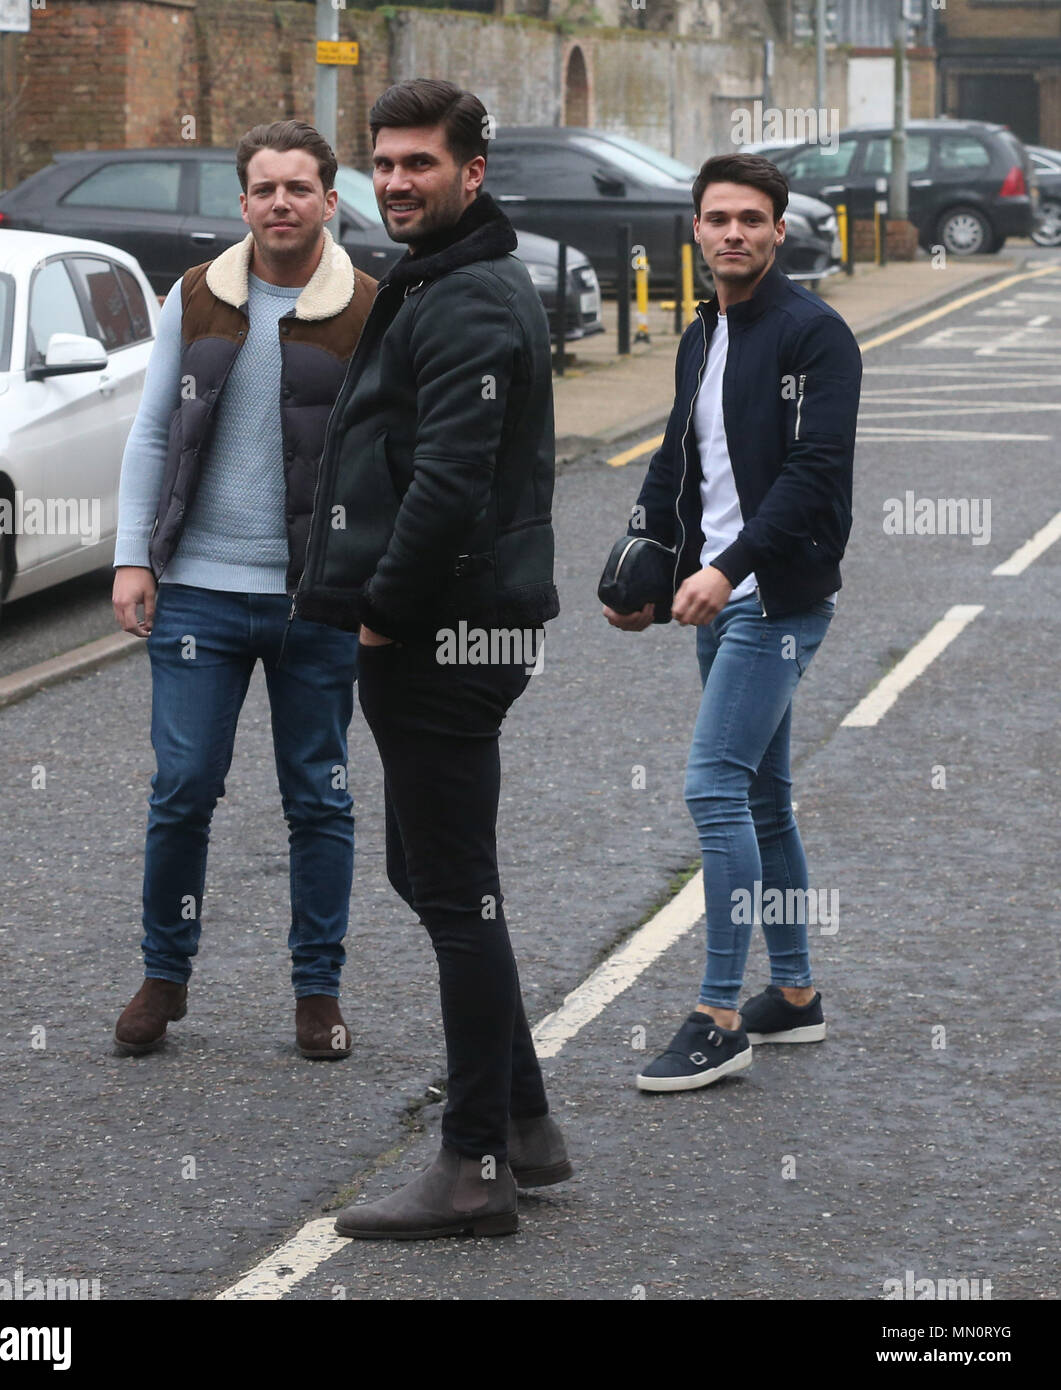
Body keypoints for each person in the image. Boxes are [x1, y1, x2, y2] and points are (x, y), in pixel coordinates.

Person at [298, 79, 570, 1239]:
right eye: (385, 162)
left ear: (472, 172)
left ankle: (472, 1167)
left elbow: (449, 485)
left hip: (442, 633)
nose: (398, 181)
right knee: (430, 872)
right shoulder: (447, 275)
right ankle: (525, 1123)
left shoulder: (465, 299)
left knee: (457, 894)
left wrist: (380, 614)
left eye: (421, 163)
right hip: (450, 625)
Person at [111, 121, 377, 1059]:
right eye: (264, 189)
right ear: (243, 203)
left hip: (317, 599)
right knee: (182, 789)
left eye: (298, 188)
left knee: (319, 796)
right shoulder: (196, 295)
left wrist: (377, 585)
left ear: (329, 201)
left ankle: (317, 991)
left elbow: (388, 458)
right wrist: (133, 557)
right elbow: (152, 431)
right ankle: (163, 976)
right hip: (198, 591)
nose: (280, 203)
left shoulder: (368, 307)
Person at [603, 153, 861, 1093]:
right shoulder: (702, 331)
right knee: (761, 798)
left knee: (714, 787)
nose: (733, 233)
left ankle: (718, 1016)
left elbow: (811, 475)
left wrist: (727, 570)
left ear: (778, 230)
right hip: (718, 592)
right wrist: (644, 564)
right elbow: (676, 461)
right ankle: (791, 994)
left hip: (775, 599)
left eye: (751, 219)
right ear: (697, 231)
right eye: (718, 218)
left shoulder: (815, 336)